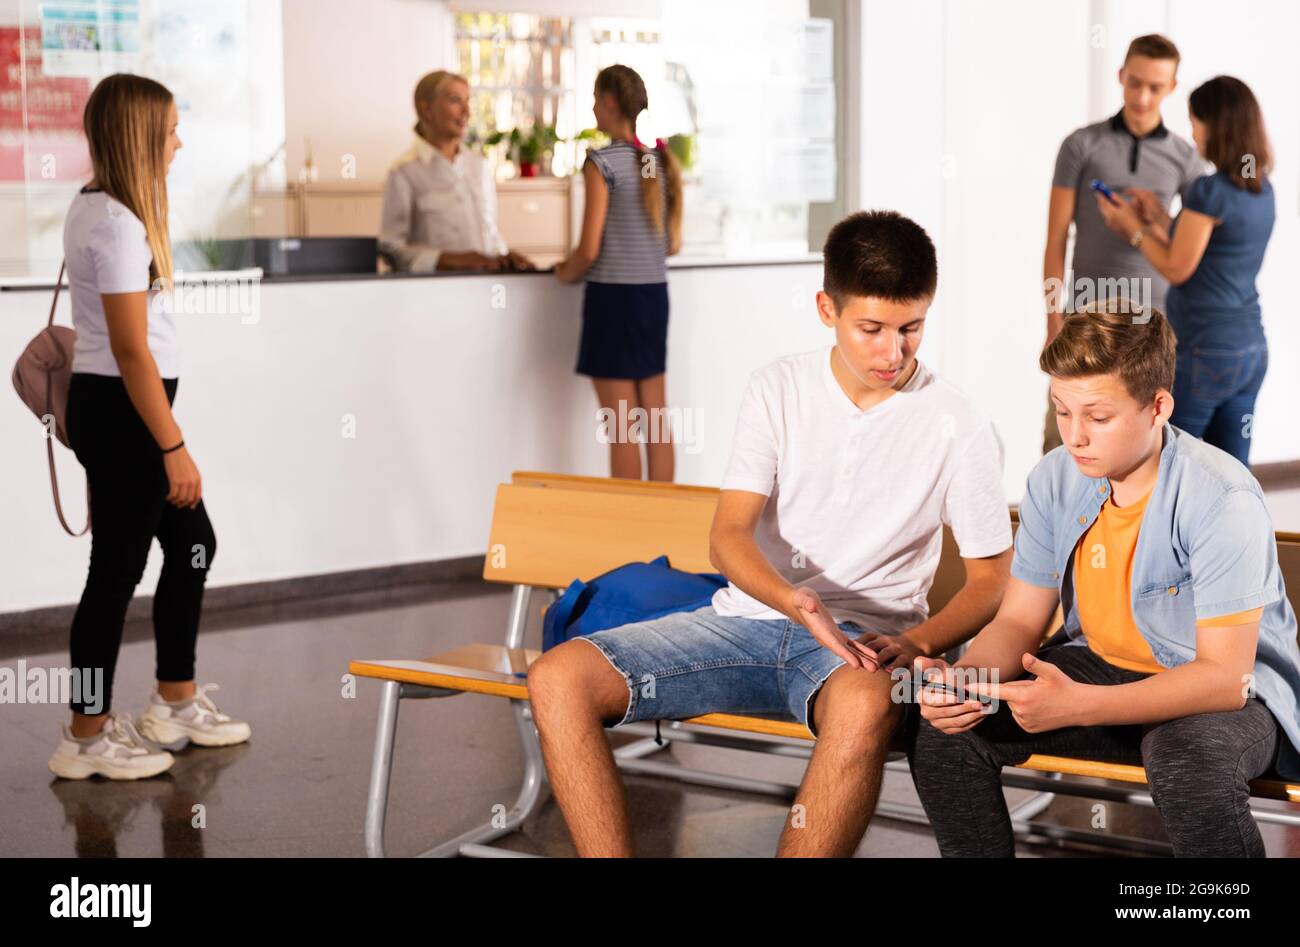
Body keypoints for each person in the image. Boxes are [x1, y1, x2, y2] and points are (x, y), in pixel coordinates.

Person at [528, 210, 1014, 856]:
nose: (892, 352)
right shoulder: (778, 387)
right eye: (871, 328)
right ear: (826, 308)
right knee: (556, 679)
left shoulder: (959, 422)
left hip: (855, 646)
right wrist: (793, 599)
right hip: (744, 621)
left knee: (867, 701)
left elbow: (990, 579)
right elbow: (727, 538)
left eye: (911, 328)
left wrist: (918, 638)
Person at [908, 300, 1300, 858]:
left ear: (1158, 407)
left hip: (1222, 696)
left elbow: (1222, 678)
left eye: (1097, 416)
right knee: (945, 734)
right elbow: (1019, 619)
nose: (1074, 437)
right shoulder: (1053, 477)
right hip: (1100, 672)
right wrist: (966, 682)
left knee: (1182, 755)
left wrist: (1078, 706)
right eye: (1062, 411)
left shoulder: (1222, 497)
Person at [48, 74, 251, 782]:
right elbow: (132, 350)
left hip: (123, 408)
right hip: (128, 413)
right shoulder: (117, 222)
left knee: (193, 542)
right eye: (169, 131)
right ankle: (85, 735)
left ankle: (174, 701)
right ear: (140, 136)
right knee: (115, 574)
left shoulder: (102, 209)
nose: (179, 142)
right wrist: (173, 444)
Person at [1094, 76, 1274, 466]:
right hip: (1249, 351)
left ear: (1215, 125)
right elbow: (1206, 249)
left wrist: (1133, 229)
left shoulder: (1208, 191)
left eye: (1195, 122)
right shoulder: (1260, 189)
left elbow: (1177, 266)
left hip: (1203, 350)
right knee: (1230, 471)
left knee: (1174, 464)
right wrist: (1159, 217)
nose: (1193, 134)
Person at [1041, 33, 1203, 454]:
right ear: (1120, 76)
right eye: (1135, 83)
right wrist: (1052, 323)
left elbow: (1189, 249)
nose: (1143, 97)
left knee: (1148, 451)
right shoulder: (1081, 145)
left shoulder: (1185, 158)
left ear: (1171, 88)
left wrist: (1149, 221)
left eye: (1155, 87)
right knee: (1062, 446)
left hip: (1155, 328)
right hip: (1085, 320)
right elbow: (1056, 239)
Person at [553, 64, 683, 481]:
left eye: (595, 100)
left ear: (609, 102)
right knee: (655, 420)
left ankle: (631, 534)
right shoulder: (654, 163)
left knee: (623, 427)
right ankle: (665, 525)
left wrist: (563, 272)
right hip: (652, 298)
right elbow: (669, 244)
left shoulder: (601, 162)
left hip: (613, 302)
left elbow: (588, 250)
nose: (593, 108)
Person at [378, 70, 534, 273]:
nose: (467, 111)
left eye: (468, 101)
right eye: (455, 100)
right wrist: (447, 260)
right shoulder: (404, 172)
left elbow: (490, 234)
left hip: (485, 288)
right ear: (426, 108)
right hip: (435, 294)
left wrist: (504, 255)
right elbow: (390, 249)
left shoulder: (479, 166)